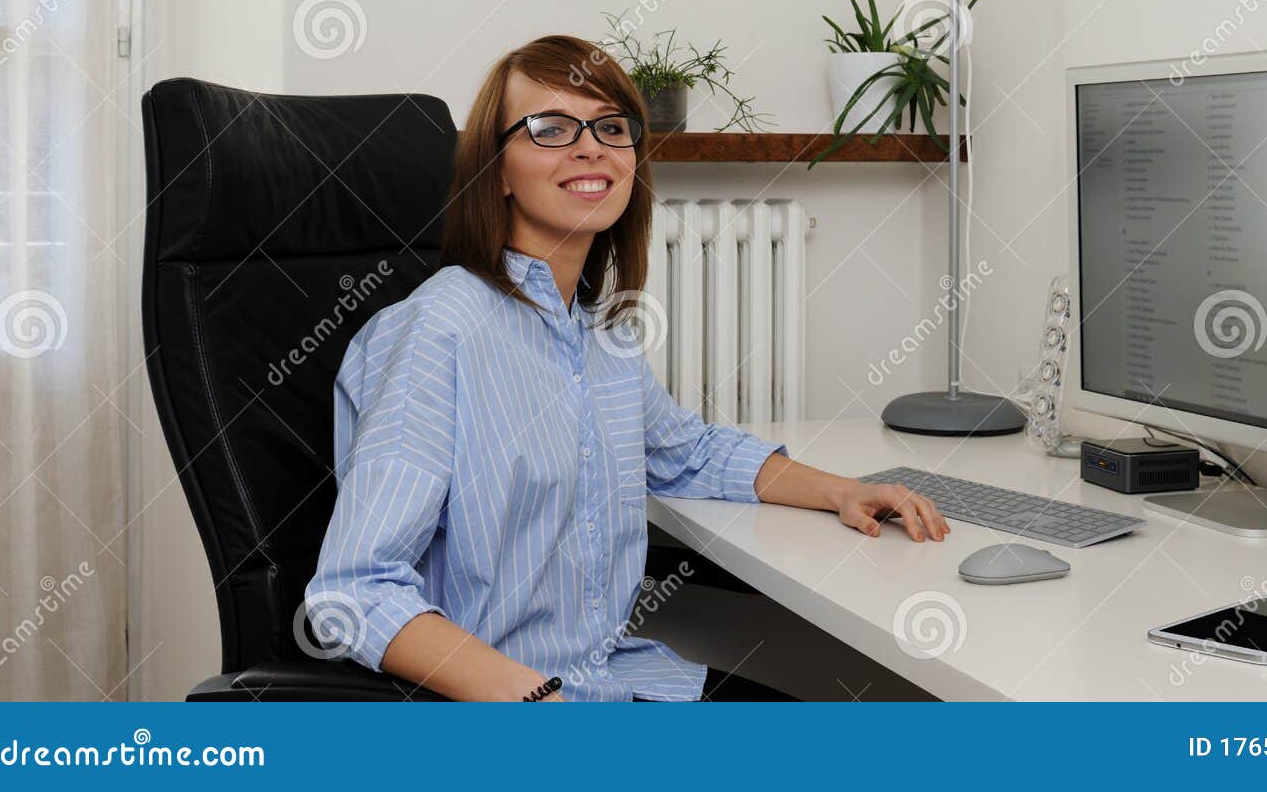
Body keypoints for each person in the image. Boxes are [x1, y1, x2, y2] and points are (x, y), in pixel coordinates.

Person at [305, 35, 949, 702]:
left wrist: (840, 491)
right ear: (497, 171)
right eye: (551, 128)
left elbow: (689, 453)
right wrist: (540, 703)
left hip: (619, 675)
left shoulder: (599, 331)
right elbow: (355, 592)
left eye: (611, 128)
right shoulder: (436, 331)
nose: (591, 148)